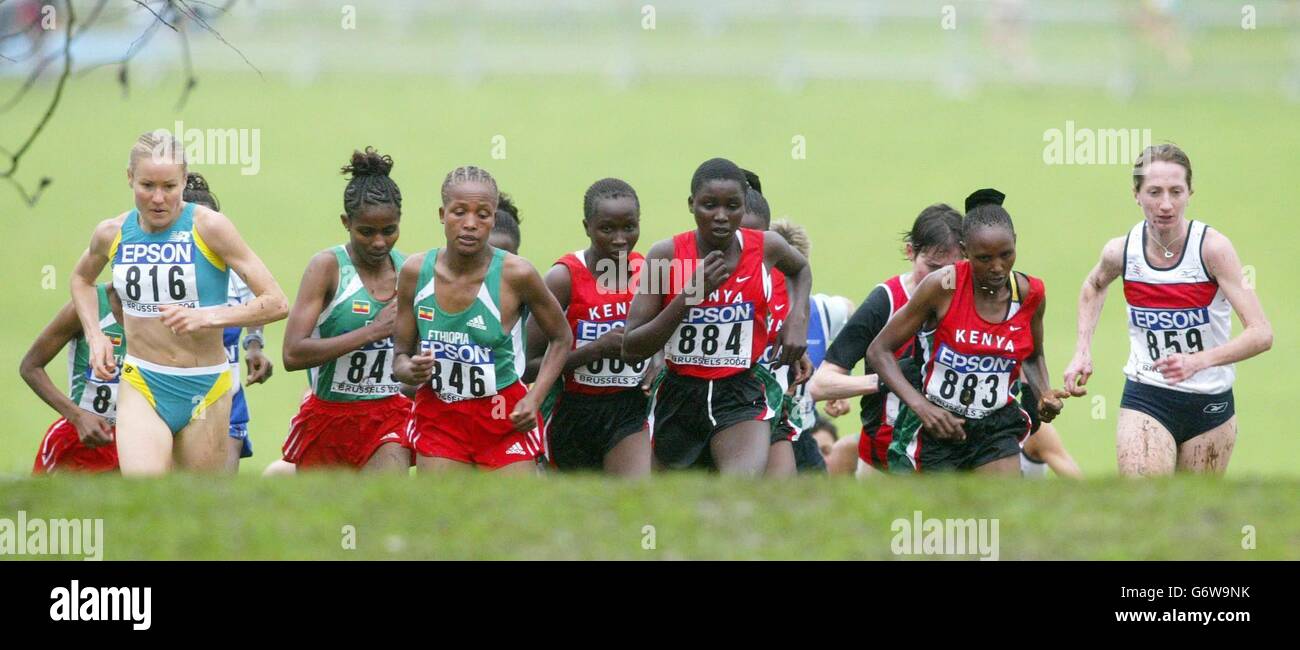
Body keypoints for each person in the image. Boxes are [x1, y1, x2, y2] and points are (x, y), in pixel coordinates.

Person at [69, 131, 288, 475]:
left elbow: (276, 302)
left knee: (200, 505)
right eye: (147, 186)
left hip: (207, 386)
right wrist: (95, 337)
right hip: (143, 382)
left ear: (184, 181)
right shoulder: (112, 233)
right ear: (130, 178)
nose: (158, 198)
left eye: (169, 187)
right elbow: (81, 279)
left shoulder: (210, 227)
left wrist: (208, 317)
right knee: (147, 499)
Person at [1063, 144, 1271, 475]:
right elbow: (1094, 285)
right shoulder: (1121, 251)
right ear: (1136, 194)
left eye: (1176, 191)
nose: (1165, 204)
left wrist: (1197, 361)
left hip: (1210, 404)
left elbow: (1261, 333)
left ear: (1190, 192)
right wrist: (1082, 351)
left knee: (1193, 517)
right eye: (1154, 192)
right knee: (1143, 506)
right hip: (1147, 396)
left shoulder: (1213, 250)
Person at [623, 158, 811, 475]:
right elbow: (633, 346)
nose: (721, 217)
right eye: (709, 205)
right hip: (679, 395)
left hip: (740, 390)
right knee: (674, 506)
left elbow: (800, 270)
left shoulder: (767, 246)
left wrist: (797, 318)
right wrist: (689, 296)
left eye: (732, 206)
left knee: (738, 489)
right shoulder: (665, 255)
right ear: (691, 205)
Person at [867, 189, 1067, 474]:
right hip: (938, 427)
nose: (998, 268)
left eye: (1006, 254)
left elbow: (1032, 355)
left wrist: (1043, 392)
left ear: (1015, 244)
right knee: (940, 517)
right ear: (964, 251)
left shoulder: (1029, 294)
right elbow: (879, 350)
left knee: (1000, 513)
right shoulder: (942, 287)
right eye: (984, 258)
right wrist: (922, 408)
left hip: (995, 427)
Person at [393, 165, 572, 473]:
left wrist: (535, 397)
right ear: (442, 214)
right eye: (459, 212)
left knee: (516, 517)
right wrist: (410, 369)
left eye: (483, 214)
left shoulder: (518, 274)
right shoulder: (415, 273)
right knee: (444, 516)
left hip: (504, 414)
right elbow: (399, 357)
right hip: (441, 414)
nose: (470, 224)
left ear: (493, 219)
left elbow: (562, 337)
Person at [278, 147, 416, 472]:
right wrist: (373, 332)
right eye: (366, 232)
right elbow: (292, 354)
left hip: (388, 416)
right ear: (346, 223)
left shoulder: (411, 270)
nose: (379, 242)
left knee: (381, 507)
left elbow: (418, 348)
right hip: (328, 417)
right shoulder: (327, 268)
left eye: (389, 230)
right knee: (326, 519)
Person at [810, 204, 964, 477]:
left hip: (955, 456)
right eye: (932, 267)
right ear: (910, 252)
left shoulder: (977, 303)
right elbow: (820, 385)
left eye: (952, 271)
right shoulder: (886, 301)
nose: (941, 280)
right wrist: (886, 381)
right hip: (884, 461)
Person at [530, 178, 652, 476]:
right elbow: (528, 366)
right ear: (587, 227)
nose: (620, 239)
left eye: (629, 227)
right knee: (576, 508)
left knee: (631, 500)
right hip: (571, 411)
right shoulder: (563, 278)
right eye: (607, 229)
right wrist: (595, 350)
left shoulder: (649, 271)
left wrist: (656, 360)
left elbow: (665, 334)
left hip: (629, 409)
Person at [181, 172, 273, 472]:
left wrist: (254, 346)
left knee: (219, 490)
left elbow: (261, 303)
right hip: (174, 397)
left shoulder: (235, 274)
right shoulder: (165, 279)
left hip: (228, 397)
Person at [21, 284, 123, 474]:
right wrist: (78, 416)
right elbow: (31, 366)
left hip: (139, 441)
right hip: (83, 438)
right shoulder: (89, 304)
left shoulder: (165, 311)